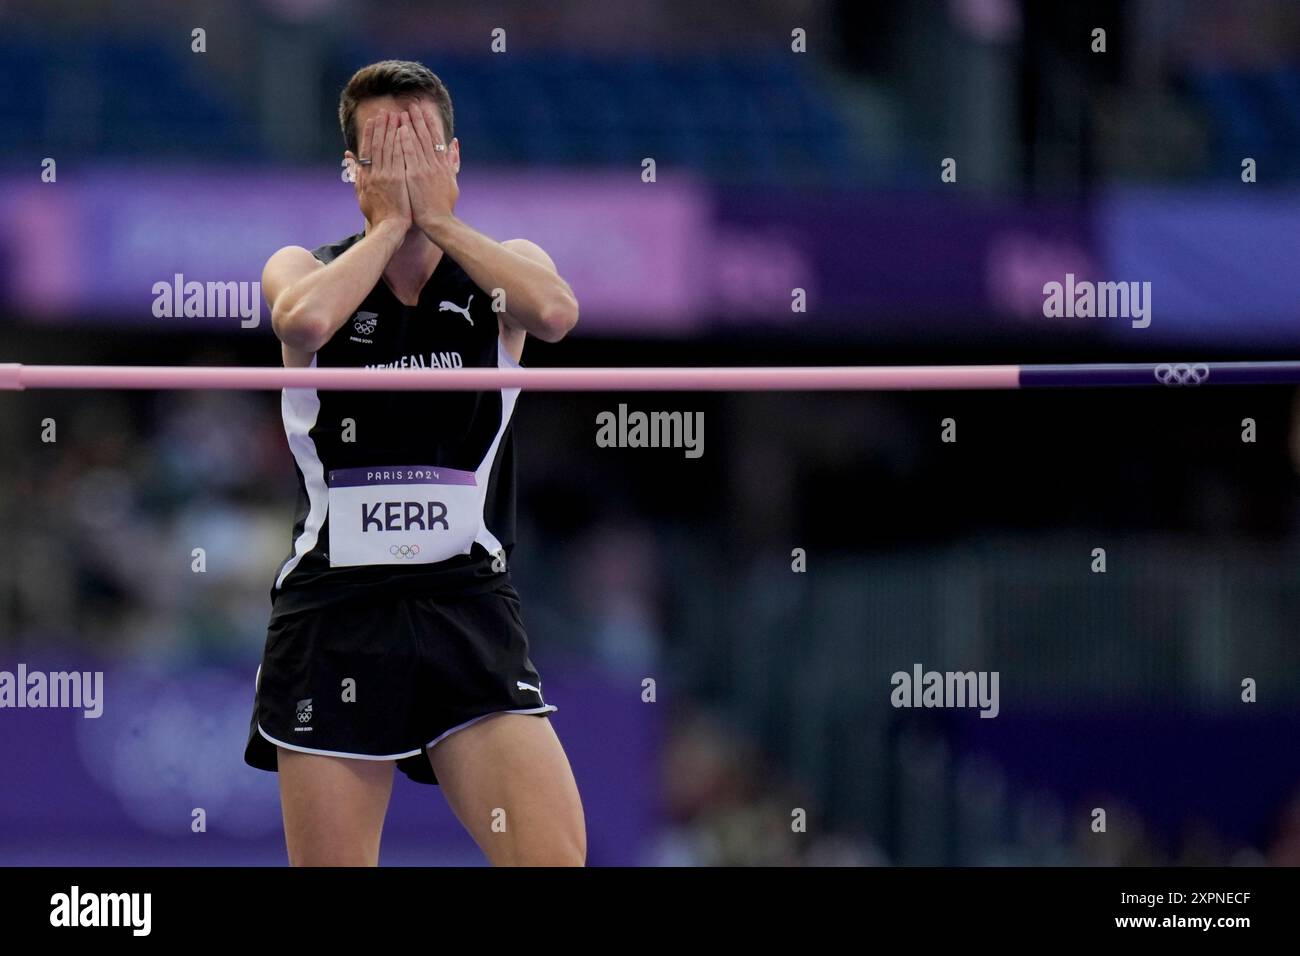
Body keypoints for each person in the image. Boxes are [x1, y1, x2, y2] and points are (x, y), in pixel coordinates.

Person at [243, 60, 584, 866]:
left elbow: (556, 313)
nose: (404, 170)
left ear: (455, 161)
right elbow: (307, 320)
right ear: (351, 172)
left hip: (463, 603)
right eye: (384, 156)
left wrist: (437, 221)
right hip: (335, 612)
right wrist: (393, 225)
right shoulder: (300, 267)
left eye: (423, 151)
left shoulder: (503, 269)